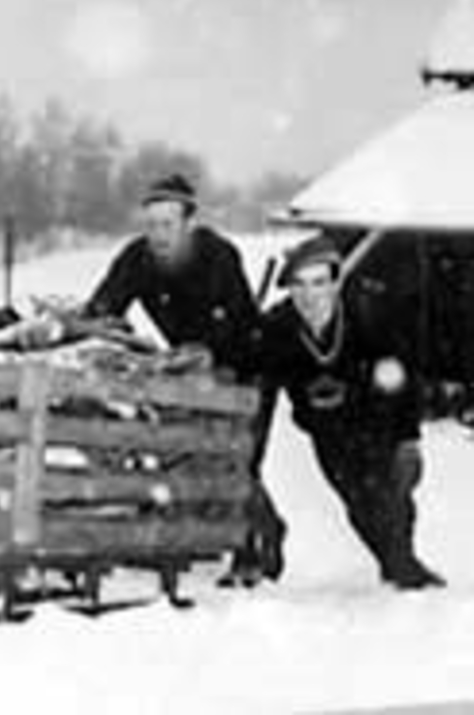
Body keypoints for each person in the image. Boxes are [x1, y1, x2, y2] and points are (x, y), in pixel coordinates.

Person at [84, 173, 285, 586]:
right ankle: (257, 529)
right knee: (204, 452)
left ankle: (250, 548)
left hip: (249, 365)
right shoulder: (138, 258)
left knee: (238, 457)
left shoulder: (217, 255)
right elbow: (104, 307)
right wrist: (97, 330)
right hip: (193, 373)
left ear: (189, 223)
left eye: (168, 224)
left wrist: (209, 353)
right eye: (151, 224)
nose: (158, 234)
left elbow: (238, 325)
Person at [259, 234, 444, 590]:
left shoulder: (368, 312)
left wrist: (408, 437)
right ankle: (396, 564)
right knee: (358, 503)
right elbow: (263, 386)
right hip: (326, 429)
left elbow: (402, 375)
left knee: (392, 491)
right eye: (299, 285)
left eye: (318, 283)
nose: (310, 295)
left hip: (380, 419)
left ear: (334, 283)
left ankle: (403, 569)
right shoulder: (278, 329)